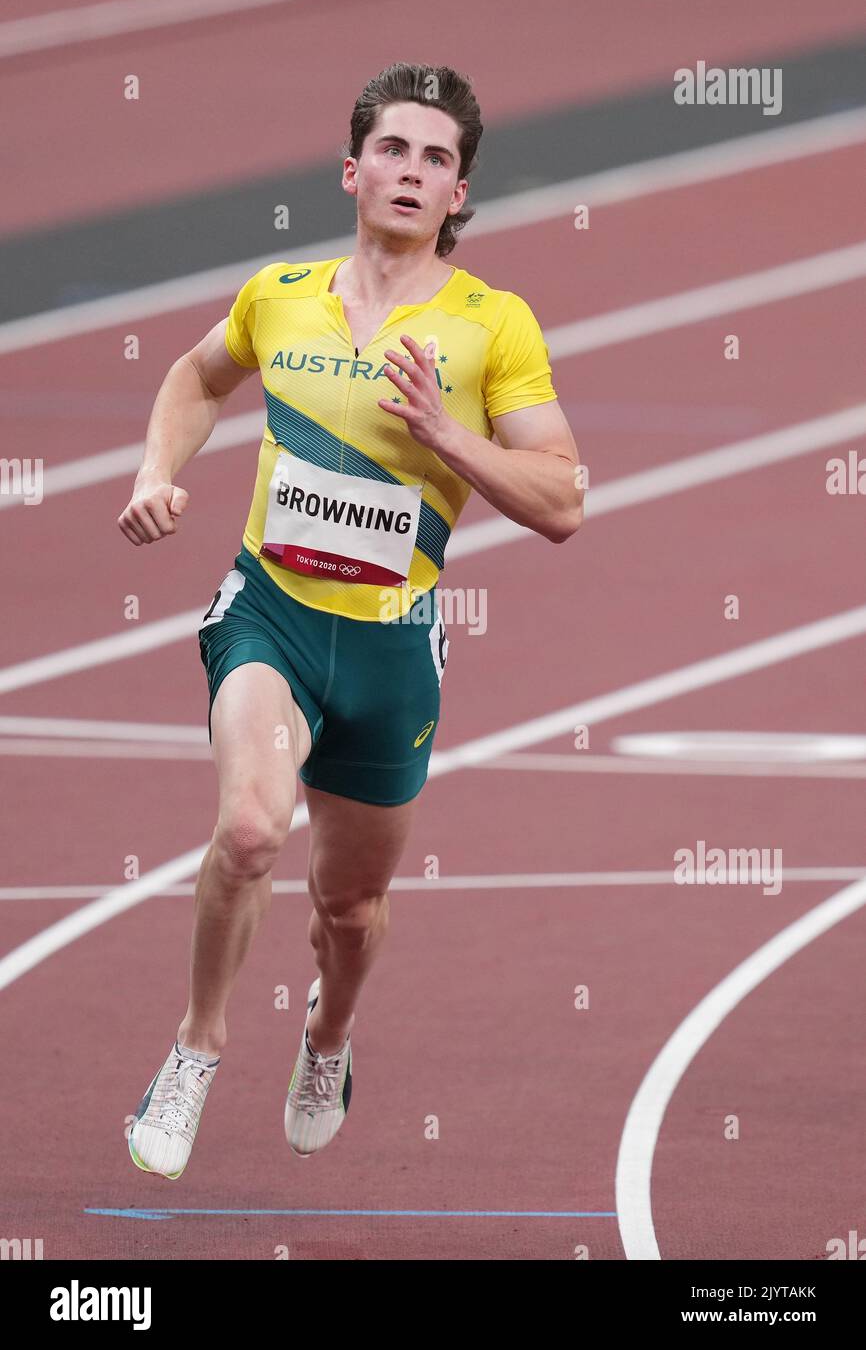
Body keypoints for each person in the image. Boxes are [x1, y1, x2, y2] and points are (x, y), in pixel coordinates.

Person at [118, 62, 583, 1180]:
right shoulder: (277, 294)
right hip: (270, 615)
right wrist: (154, 472)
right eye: (394, 150)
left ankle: (325, 1036)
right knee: (247, 830)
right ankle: (195, 1047)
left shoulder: (488, 328)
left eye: (437, 160)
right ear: (351, 171)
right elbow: (193, 376)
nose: (412, 172)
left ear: (458, 197)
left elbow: (562, 497)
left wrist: (446, 435)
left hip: (388, 650)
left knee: (353, 906)